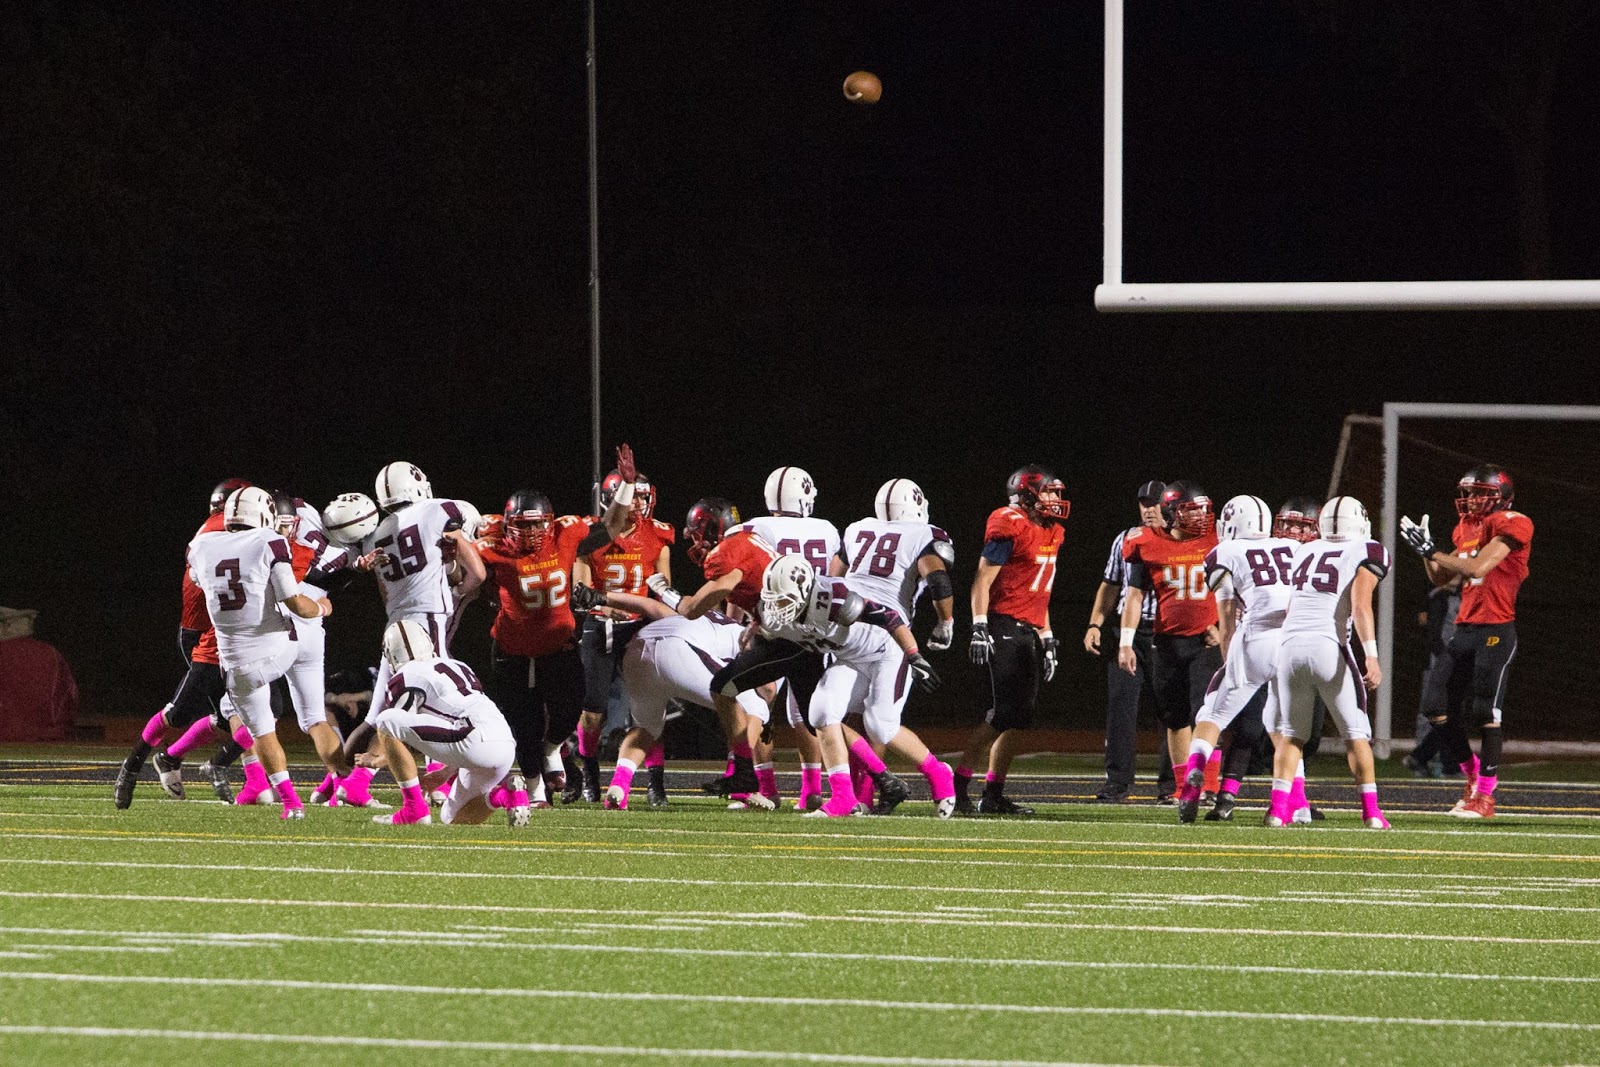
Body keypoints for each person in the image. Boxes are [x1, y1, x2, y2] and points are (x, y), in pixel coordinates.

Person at [473, 465, 631, 804]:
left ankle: (553, 750)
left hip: (559, 647)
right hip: (512, 652)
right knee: (524, 726)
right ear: (509, 524)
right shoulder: (492, 547)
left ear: (550, 521)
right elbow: (462, 575)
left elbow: (613, 525)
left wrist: (627, 486)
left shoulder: (566, 534)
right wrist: (454, 549)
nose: (530, 532)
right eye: (523, 524)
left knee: (568, 712)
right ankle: (535, 790)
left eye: (536, 523)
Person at [182, 486, 340, 820]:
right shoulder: (271, 542)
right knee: (307, 700)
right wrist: (323, 608)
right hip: (279, 649)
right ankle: (330, 785)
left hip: (237, 664)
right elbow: (294, 601)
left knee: (261, 731)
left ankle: (290, 803)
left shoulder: (201, 546)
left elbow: (198, 579)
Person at [345, 463, 485, 806]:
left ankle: (352, 782)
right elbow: (478, 573)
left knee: (385, 706)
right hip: (427, 617)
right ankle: (435, 782)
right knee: (433, 696)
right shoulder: (437, 510)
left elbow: (383, 589)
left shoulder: (374, 533)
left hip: (396, 622)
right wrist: (458, 592)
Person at [1400, 464, 1533, 819]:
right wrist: (1426, 553)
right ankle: (1472, 775)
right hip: (1465, 627)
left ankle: (1486, 797)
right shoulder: (1466, 528)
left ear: (1501, 497)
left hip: (1496, 628)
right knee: (1435, 706)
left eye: (1480, 493)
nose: (1472, 500)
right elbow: (1444, 577)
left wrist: (1433, 550)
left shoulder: (1514, 522)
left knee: (1484, 712)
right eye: (1469, 493)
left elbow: (1477, 569)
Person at [827, 478, 960, 815]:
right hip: (889, 632)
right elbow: (938, 580)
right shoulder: (922, 534)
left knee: (876, 722)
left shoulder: (858, 529)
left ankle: (934, 775)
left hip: (854, 627)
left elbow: (832, 577)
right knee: (829, 713)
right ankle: (864, 793)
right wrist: (946, 623)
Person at [114, 477, 248, 808]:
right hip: (207, 636)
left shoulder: (225, 530)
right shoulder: (219, 532)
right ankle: (133, 767)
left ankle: (177, 760)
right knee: (183, 713)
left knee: (244, 716)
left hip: (229, 633)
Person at [1267, 495, 1391, 829]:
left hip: (1289, 646)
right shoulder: (1368, 549)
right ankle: (1372, 813)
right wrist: (1372, 656)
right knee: (1355, 733)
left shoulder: (1305, 550)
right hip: (1328, 645)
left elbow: (1293, 607)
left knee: (1292, 733)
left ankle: (1278, 812)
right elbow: (1361, 605)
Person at [721, 466, 841, 809]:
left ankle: (763, 785)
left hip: (769, 625)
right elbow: (834, 578)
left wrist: (734, 622)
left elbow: (740, 580)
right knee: (806, 711)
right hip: (814, 628)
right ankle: (811, 789)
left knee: (758, 703)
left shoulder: (754, 528)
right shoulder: (827, 530)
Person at [956, 465, 1068, 816]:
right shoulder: (1009, 523)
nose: (1054, 499)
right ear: (1028, 492)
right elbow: (981, 581)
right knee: (1002, 714)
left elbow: (1039, 592)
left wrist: (1047, 637)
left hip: (1027, 629)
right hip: (1002, 624)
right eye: (1048, 492)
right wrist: (978, 626)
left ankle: (993, 793)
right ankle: (957, 787)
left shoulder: (1053, 532)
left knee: (1020, 716)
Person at [1177, 495, 1294, 824]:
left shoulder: (1224, 552)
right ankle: (1283, 808)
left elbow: (1227, 618)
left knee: (1212, 714)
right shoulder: (1293, 548)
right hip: (1295, 642)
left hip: (1255, 639)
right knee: (1285, 727)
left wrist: (1232, 664)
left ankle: (1192, 783)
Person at [345, 621, 528, 826]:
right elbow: (456, 718)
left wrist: (379, 759)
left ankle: (414, 809)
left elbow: (397, 730)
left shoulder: (405, 676)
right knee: (451, 817)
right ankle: (506, 796)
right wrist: (445, 771)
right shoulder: (458, 665)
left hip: (470, 737)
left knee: (386, 720)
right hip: (503, 741)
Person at [571, 462, 674, 801]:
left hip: (638, 630)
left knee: (649, 708)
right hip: (599, 627)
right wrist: (603, 604)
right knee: (592, 711)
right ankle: (589, 776)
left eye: (643, 498)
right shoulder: (591, 536)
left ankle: (655, 781)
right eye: (633, 497)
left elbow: (664, 590)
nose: (639, 505)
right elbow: (581, 592)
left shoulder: (657, 535)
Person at [1117, 480, 1222, 805]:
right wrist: (1125, 642)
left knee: (1208, 713)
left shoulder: (1214, 539)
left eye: (1202, 510)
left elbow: (1232, 588)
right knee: (1174, 717)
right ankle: (1182, 788)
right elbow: (1134, 598)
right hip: (1167, 643)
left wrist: (1220, 624)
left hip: (1206, 640)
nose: (1201, 518)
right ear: (1170, 512)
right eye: (1191, 511)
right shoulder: (1147, 543)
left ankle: (1210, 787)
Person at [1084, 480, 1164, 803]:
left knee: (1171, 712)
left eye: (1155, 503)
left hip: (1166, 633)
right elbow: (1110, 585)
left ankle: (1172, 785)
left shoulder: (1180, 539)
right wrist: (1095, 623)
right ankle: (1117, 781)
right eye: (1143, 503)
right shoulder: (1126, 539)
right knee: (1120, 708)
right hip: (1128, 633)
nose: (1149, 509)